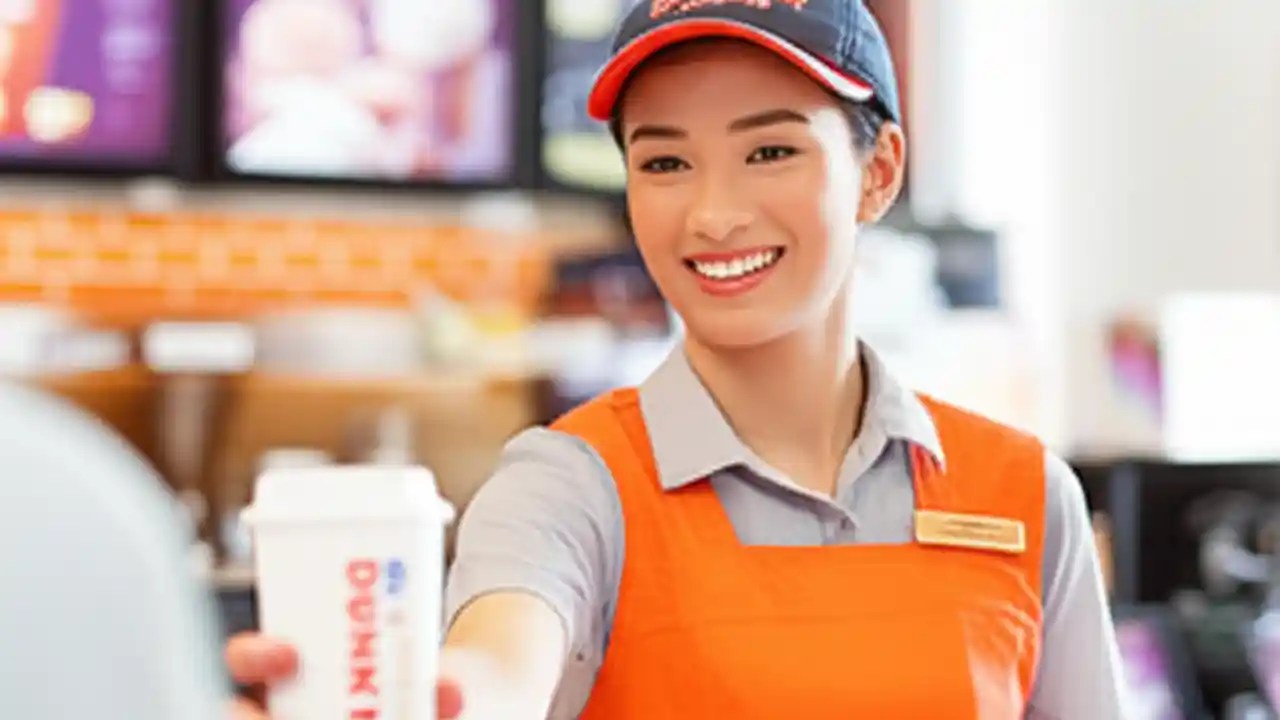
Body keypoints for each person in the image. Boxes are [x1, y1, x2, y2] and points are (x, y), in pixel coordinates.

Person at [229, 0, 1127, 717]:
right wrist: (425, 703)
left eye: (769, 150)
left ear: (879, 171)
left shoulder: (1025, 495)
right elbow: (497, 667)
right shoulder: (568, 488)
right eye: (665, 164)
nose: (712, 214)